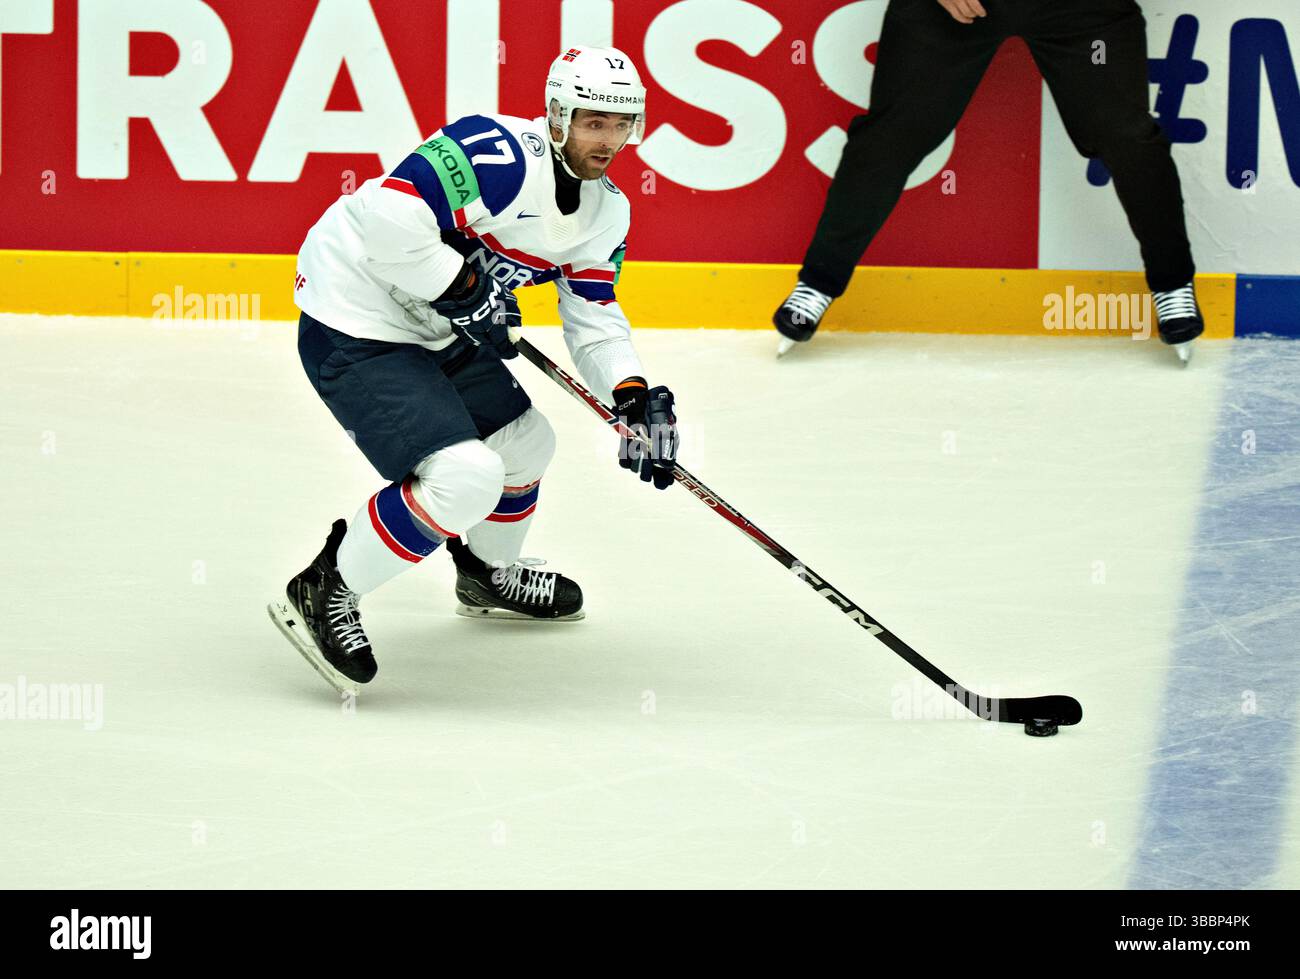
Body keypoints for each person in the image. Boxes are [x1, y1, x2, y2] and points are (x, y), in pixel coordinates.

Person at [270, 46, 679, 694]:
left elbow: (594, 315)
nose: (607, 140)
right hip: (356, 312)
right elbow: (388, 220)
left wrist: (632, 397)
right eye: (592, 121)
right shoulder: (491, 151)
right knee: (466, 476)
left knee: (527, 443)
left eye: (620, 123)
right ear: (556, 115)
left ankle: (486, 571)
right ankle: (326, 586)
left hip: (435, 324)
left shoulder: (608, 213)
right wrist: (463, 287)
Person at [773, 0, 1204, 364]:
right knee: (893, 135)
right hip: (951, 9)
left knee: (1125, 134)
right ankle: (818, 283)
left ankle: (1172, 283)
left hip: (1080, 12)